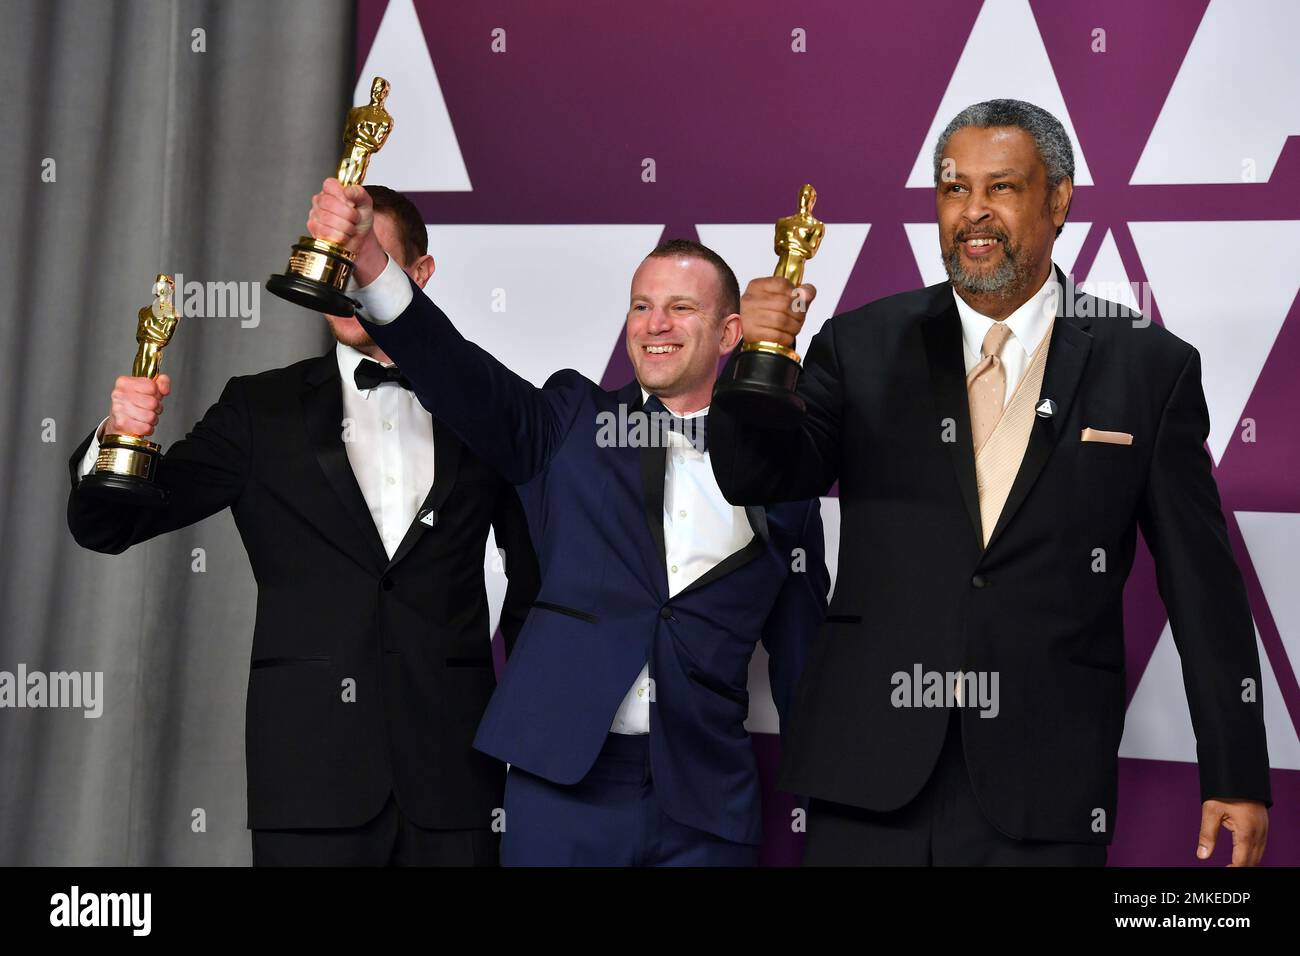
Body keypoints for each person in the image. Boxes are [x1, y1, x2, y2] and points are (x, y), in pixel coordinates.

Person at [710, 99, 1271, 866]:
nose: (973, 213)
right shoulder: (862, 342)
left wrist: (1236, 771)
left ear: (1060, 199)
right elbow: (757, 478)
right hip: (868, 773)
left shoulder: (1148, 365)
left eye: (1001, 187)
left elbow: (1201, 581)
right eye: (952, 189)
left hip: (1046, 786)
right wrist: (763, 357)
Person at [304, 178, 829, 865]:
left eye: (679, 307)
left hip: (707, 801)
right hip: (564, 788)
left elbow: (802, 661)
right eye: (641, 306)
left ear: (730, 332)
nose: (654, 324)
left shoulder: (785, 479)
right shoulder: (572, 421)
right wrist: (371, 263)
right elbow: (459, 373)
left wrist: (834, 809)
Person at [67, 185, 539, 866]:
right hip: (310, 785)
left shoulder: (484, 405)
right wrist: (118, 442)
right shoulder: (260, 410)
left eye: (366, 260)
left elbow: (536, 580)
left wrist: (518, 728)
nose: (346, 281)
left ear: (420, 274)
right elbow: (109, 527)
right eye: (334, 260)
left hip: (457, 784)